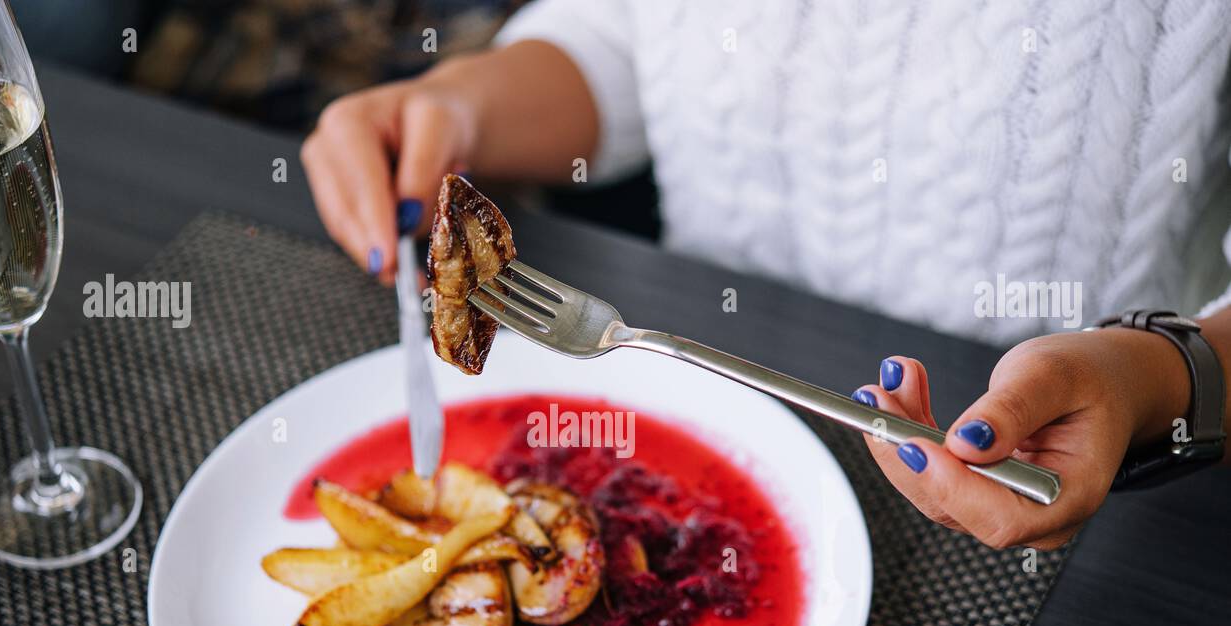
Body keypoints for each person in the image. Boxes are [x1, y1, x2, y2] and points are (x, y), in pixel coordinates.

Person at [301, 0, 1231, 549]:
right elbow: (627, 38)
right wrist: (456, 105)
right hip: (708, 368)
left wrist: (1160, 376)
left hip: (1115, 467)